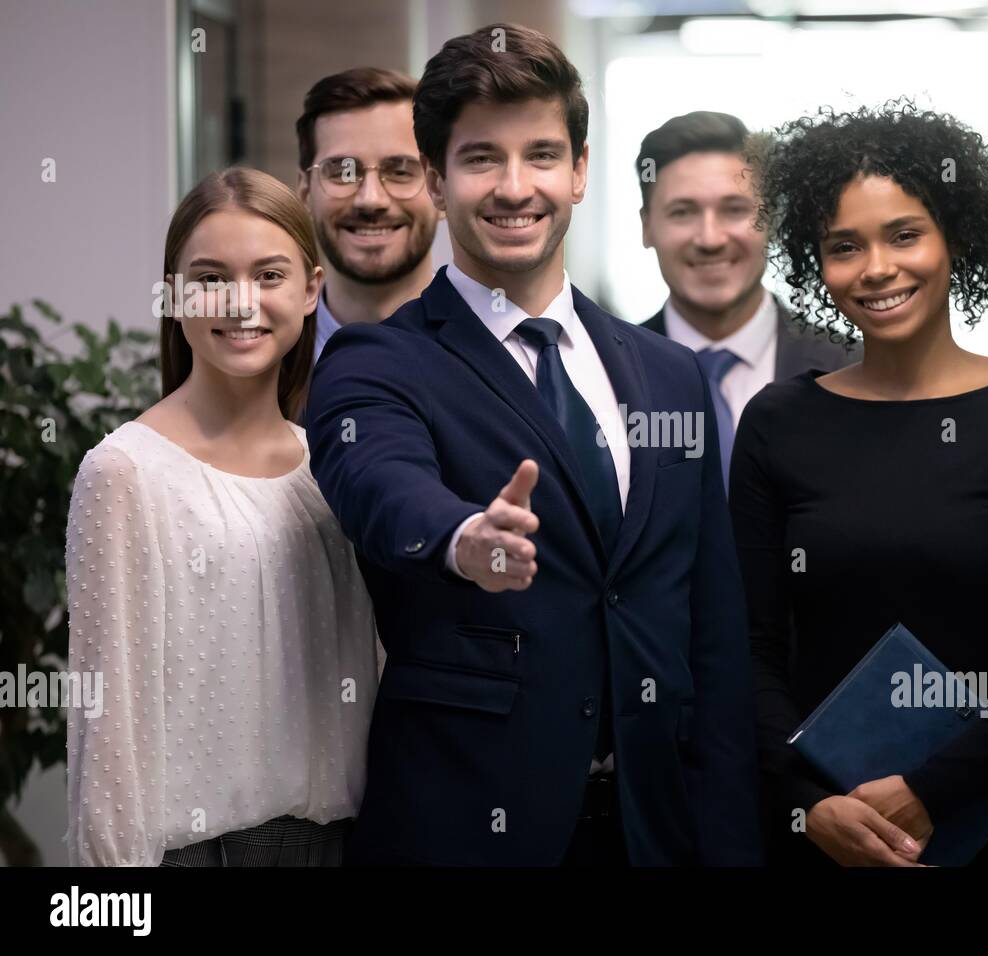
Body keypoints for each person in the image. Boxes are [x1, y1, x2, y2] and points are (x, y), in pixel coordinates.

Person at [305, 23, 760, 866]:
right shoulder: (378, 361)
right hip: (471, 829)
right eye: (481, 158)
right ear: (437, 182)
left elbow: (715, 642)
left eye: (542, 154)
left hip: (652, 828)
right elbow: (377, 480)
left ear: (580, 172)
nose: (516, 187)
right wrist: (458, 537)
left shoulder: (668, 375)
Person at [731, 101, 988, 866]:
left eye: (905, 234)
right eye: (845, 246)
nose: (877, 267)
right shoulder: (779, 421)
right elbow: (750, 647)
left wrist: (931, 790)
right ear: (818, 265)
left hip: (987, 829)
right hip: (820, 832)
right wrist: (812, 806)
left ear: (956, 239)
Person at [65, 167, 377, 866]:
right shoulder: (126, 473)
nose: (241, 302)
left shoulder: (333, 466)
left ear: (312, 291)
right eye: (209, 277)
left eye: (269, 275)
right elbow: (105, 723)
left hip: (342, 843)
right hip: (195, 854)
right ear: (173, 297)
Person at [637, 111, 857, 487]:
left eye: (734, 210)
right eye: (682, 212)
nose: (710, 239)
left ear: (771, 219)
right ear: (647, 226)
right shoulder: (602, 374)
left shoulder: (853, 370)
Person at [295, 67, 441, 362]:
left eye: (400, 172)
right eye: (343, 173)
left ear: (440, 189)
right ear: (306, 193)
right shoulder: (261, 367)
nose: (371, 200)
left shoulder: (500, 353)